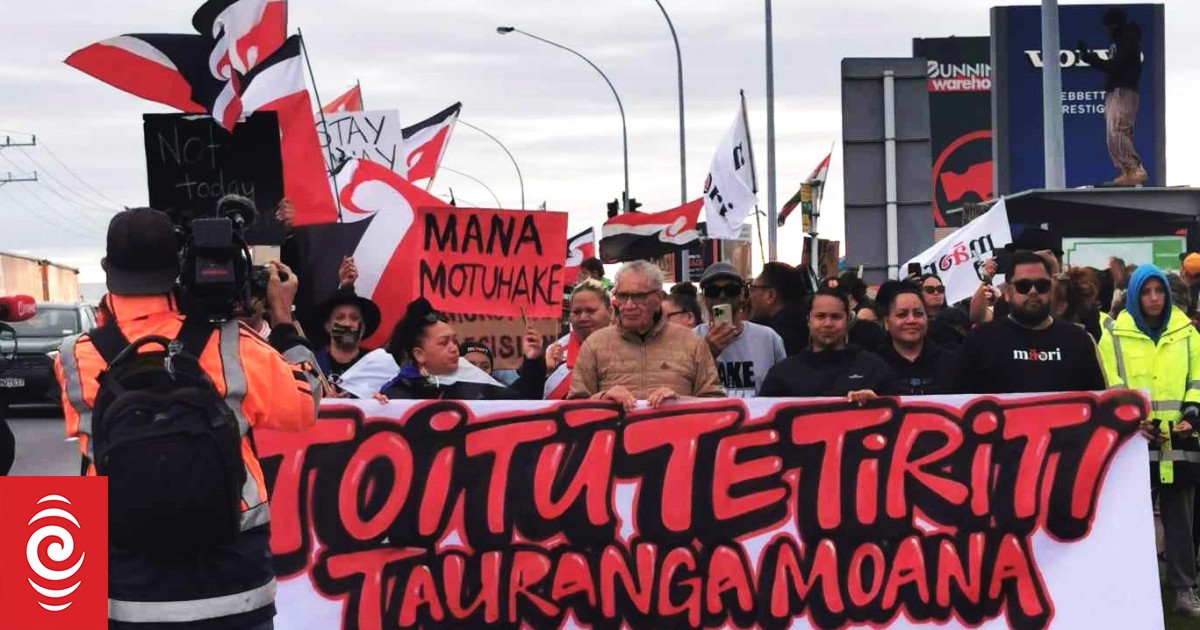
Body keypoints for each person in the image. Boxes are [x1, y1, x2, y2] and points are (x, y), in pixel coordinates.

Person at [55, 207, 320, 630]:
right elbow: (306, 408)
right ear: (178, 264)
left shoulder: (76, 356)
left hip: (124, 591)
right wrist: (283, 321)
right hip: (235, 586)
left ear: (106, 269)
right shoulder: (233, 345)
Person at [1097, 264, 1200, 616]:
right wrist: (1131, 422)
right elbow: (1110, 385)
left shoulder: (1187, 333)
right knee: (1129, 520)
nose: (1154, 298)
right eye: (1146, 291)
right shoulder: (1114, 335)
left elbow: (1197, 379)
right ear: (1135, 295)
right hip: (1131, 443)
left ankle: (1184, 590)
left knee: (1180, 520)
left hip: (1178, 441)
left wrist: (1191, 414)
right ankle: (1130, 587)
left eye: (1159, 291)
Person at [569, 260, 723, 407]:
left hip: (677, 433)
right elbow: (573, 407)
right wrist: (603, 398)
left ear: (659, 299)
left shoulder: (691, 343)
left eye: (638, 297)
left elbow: (716, 403)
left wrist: (680, 402)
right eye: (622, 296)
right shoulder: (595, 344)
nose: (628, 305)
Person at [954, 250, 1107, 394]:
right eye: (1023, 286)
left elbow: (1098, 403)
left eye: (1042, 286)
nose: (1033, 291)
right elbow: (960, 403)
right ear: (1007, 292)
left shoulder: (1078, 340)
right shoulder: (981, 340)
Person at [377, 298, 546, 400]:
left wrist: (533, 361)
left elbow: (522, 406)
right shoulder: (396, 393)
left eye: (454, 341)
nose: (454, 349)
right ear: (419, 354)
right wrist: (376, 408)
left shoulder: (472, 381)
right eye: (444, 343)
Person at [760, 288, 896, 401]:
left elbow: (895, 415)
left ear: (848, 320)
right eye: (820, 316)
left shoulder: (873, 369)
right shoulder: (783, 374)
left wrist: (877, 404)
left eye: (836, 317)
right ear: (809, 320)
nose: (828, 324)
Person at [1078, 8, 1147, 186]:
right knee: (1112, 133)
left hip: (1124, 90)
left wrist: (1091, 59)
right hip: (1116, 91)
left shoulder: (1127, 40)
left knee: (1119, 129)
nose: (1107, 31)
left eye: (1108, 27)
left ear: (1114, 25)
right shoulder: (1118, 42)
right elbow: (1113, 66)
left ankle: (1134, 168)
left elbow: (1116, 66)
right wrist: (1090, 57)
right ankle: (1126, 170)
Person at [695, 262, 786, 397]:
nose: (722, 296)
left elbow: (784, 386)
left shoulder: (768, 338)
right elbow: (682, 387)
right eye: (713, 291)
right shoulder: (691, 339)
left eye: (731, 289)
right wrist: (707, 353)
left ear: (743, 294)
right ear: (704, 298)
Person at [875, 281, 957, 396]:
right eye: (902, 315)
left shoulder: (952, 363)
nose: (911, 320)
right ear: (887, 322)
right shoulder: (872, 367)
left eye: (918, 314)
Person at [545, 279, 613, 399]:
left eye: (591, 311)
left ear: (610, 312)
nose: (583, 317)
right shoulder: (555, 350)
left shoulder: (629, 346)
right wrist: (542, 370)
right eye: (577, 312)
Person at [313, 287, 381, 384]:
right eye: (340, 318)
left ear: (364, 327)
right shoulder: (311, 366)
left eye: (354, 318)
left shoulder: (378, 367)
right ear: (328, 326)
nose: (347, 324)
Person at [749, 262, 810, 356]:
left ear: (770, 295)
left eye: (753, 289)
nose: (750, 296)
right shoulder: (808, 327)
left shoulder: (766, 338)